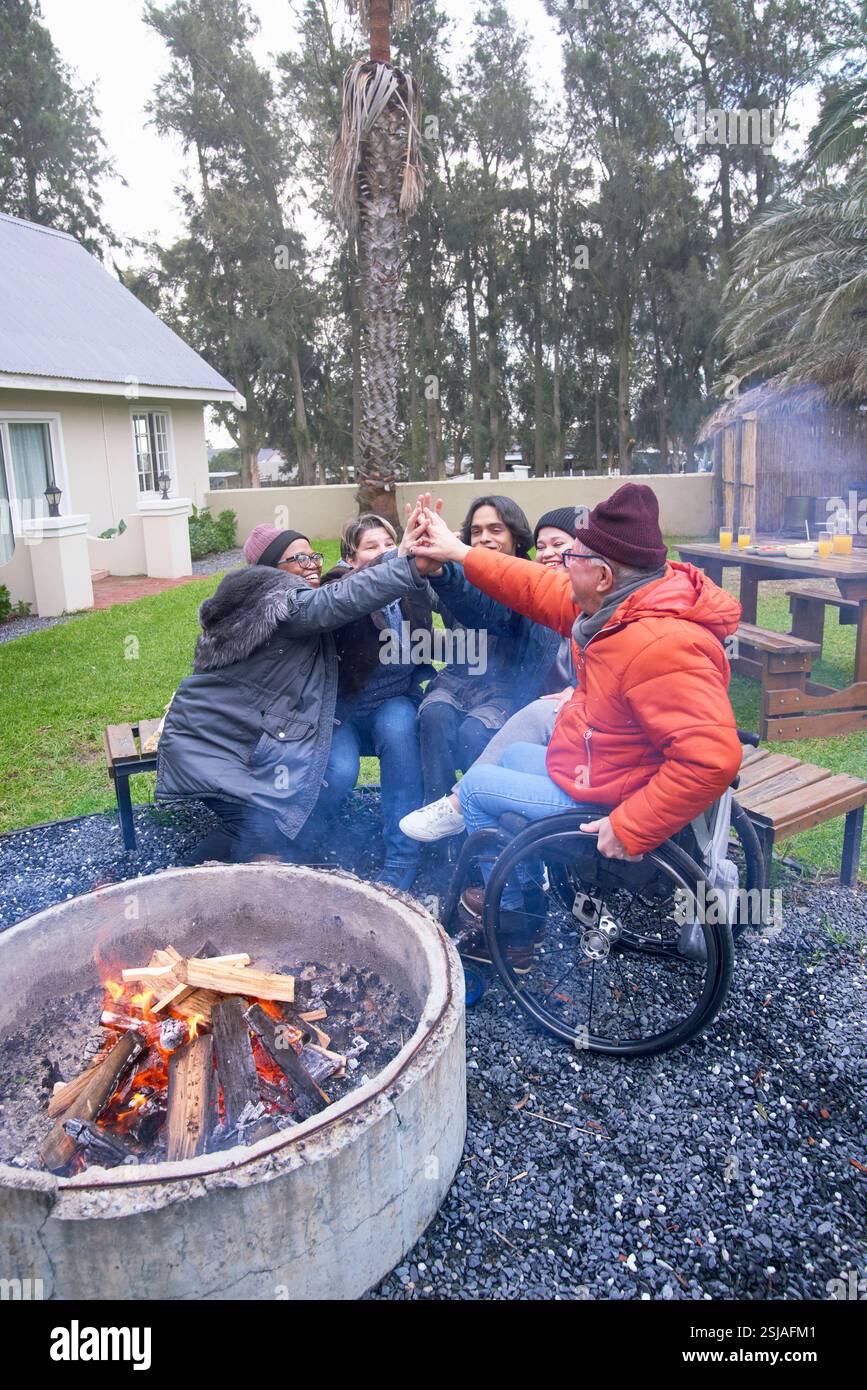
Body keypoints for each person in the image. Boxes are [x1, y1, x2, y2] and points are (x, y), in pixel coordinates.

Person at [410, 483, 743, 960]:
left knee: (480, 785)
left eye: (572, 557)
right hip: (605, 765)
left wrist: (630, 827)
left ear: (603, 574)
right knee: (519, 752)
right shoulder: (623, 603)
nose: (561, 567)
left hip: (619, 796)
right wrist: (458, 551)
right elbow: (531, 585)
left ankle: (515, 920)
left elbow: (713, 759)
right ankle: (517, 877)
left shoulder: (660, 645)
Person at [155, 515, 436, 865]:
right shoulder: (279, 604)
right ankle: (181, 883)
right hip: (219, 746)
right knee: (259, 829)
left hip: (234, 737)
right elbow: (339, 599)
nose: (312, 564)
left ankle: (282, 857)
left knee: (279, 821)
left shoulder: (264, 600)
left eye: (313, 556)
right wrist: (400, 560)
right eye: (298, 559)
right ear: (268, 570)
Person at [400, 506, 579, 843]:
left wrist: (580, 690)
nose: (549, 553)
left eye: (559, 543)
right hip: (522, 705)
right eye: (543, 546)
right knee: (436, 718)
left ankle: (487, 839)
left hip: (538, 709)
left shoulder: (599, 599)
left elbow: (620, 665)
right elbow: (483, 611)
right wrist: (443, 572)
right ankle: (453, 838)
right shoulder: (539, 593)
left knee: (477, 736)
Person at [317, 514, 435, 890]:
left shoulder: (409, 589)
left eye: (388, 544)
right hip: (343, 713)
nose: (385, 552)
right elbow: (350, 597)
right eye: (372, 547)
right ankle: (304, 844)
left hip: (393, 701)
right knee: (340, 772)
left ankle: (402, 855)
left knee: (400, 732)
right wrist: (394, 562)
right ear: (349, 559)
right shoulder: (337, 586)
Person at [416, 495, 543, 806]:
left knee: (474, 733)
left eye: (496, 529)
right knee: (434, 717)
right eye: (476, 531)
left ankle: (480, 819)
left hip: (505, 688)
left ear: (516, 536)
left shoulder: (531, 580)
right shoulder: (460, 573)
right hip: (457, 679)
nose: (485, 538)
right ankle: (437, 824)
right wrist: (425, 560)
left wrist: (447, 575)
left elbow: (491, 613)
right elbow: (420, 587)